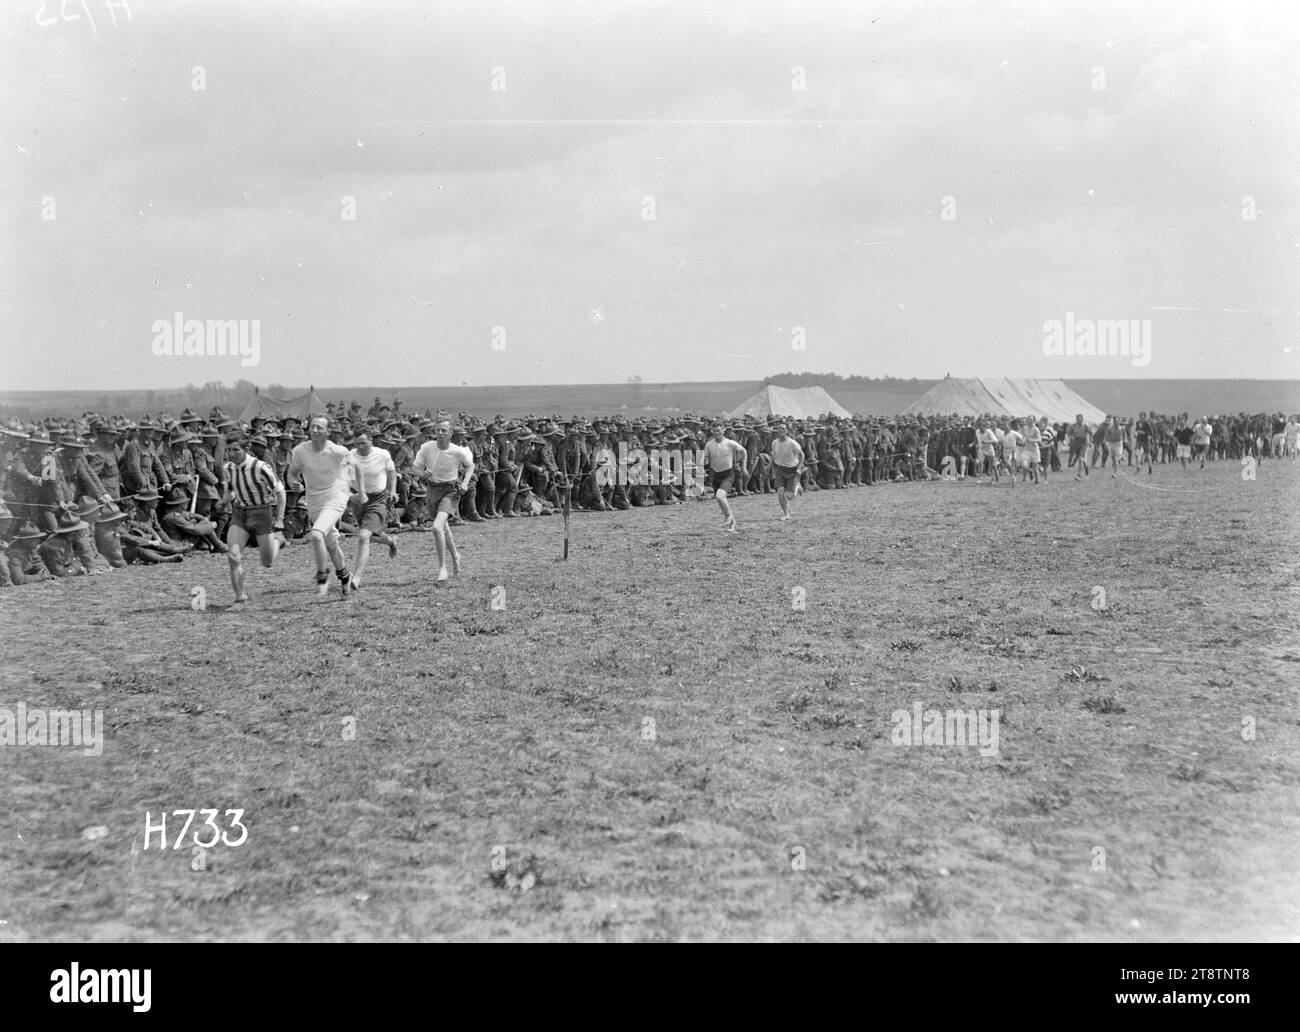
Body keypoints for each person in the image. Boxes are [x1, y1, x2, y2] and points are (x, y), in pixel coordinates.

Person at [289, 414, 354, 598]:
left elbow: (353, 470)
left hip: (336, 497)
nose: (315, 430)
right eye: (313, 427)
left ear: (327, 432)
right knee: (331, 544)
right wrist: (293, 481)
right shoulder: (300, 451)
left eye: (320, 427)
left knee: (316, 535)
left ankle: (322, 577)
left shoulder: (338, 451)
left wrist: (359, 492)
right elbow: (292, 472)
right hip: (314, 500)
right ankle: (345, 576)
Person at [223, 435, 287, 604]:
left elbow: (280, 492)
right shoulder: (228, 468)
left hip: (261, 513)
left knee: (267, 563)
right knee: (233, 556)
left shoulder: (260, 467)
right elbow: (230, 491)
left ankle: (277, 541)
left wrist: (280, 519)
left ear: (246, 449)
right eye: (229, 450)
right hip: (240, 513)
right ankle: (240, 598)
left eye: (236, 450)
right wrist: (222, 502)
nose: (232, 454)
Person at [412, 418, 474, 583]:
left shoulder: (458, 451)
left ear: (450, 433)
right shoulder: (427, 448)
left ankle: (442, 569)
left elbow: (471, 465)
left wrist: (465, 482)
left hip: (451, 491)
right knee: (444, 529)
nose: (440, 433)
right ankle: (455, 557)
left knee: (436, 527)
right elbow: (415, 467)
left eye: (443, 430)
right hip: (432, 490)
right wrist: (421, 474)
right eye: (437, 430)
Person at [347, 429, 398, 590]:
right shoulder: (350, 456)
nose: (360, 446)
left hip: (377, 498)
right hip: (357, 499)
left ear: (371, 441)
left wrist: (393, 490)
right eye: (357, 443)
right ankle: (391, 541)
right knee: (368, 534)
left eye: (363, 443)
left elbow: (392, 472)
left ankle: (356, 578)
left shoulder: (382, 455)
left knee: (364, 536)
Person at [703, 422, 747, 531]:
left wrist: (744, 467)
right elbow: (705, 457)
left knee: (719, 496)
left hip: (728, 474)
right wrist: (704, 462)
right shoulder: (709, 444)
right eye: (714, 431)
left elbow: (744, 451)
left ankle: (727, 517)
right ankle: (732, 522)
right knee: (721, 500)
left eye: (718, 430)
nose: (716, 433)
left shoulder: (730, 443)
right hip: (715, 474)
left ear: (723, 430)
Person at [769, 423, 805, 521]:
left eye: (782, 429)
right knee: (780, 493)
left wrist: (799, 468)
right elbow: (774, 457)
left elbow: (802, 455)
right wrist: (773, 470)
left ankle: (797, 485)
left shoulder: (792, 443)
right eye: (778, 429)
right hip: (780, 469)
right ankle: (786, 513)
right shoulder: (774, 443)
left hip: (792, 470)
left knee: (790, 496)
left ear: (787, 431)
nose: (780, 430)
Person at [1067, 414, 1091, 480]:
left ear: (1082, 420)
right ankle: (1086, 467)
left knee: (1080, 459)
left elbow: (1090, 433)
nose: (1079, 421)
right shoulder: (1073, 426)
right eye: (1077, 420)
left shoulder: (1085, 426)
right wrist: (1071, 437)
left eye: (1080, 420)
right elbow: (1069, 433)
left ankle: (1079, 475)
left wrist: (1090, 441)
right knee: (1082, 460)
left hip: (1084, 444)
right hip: (1076, 443)